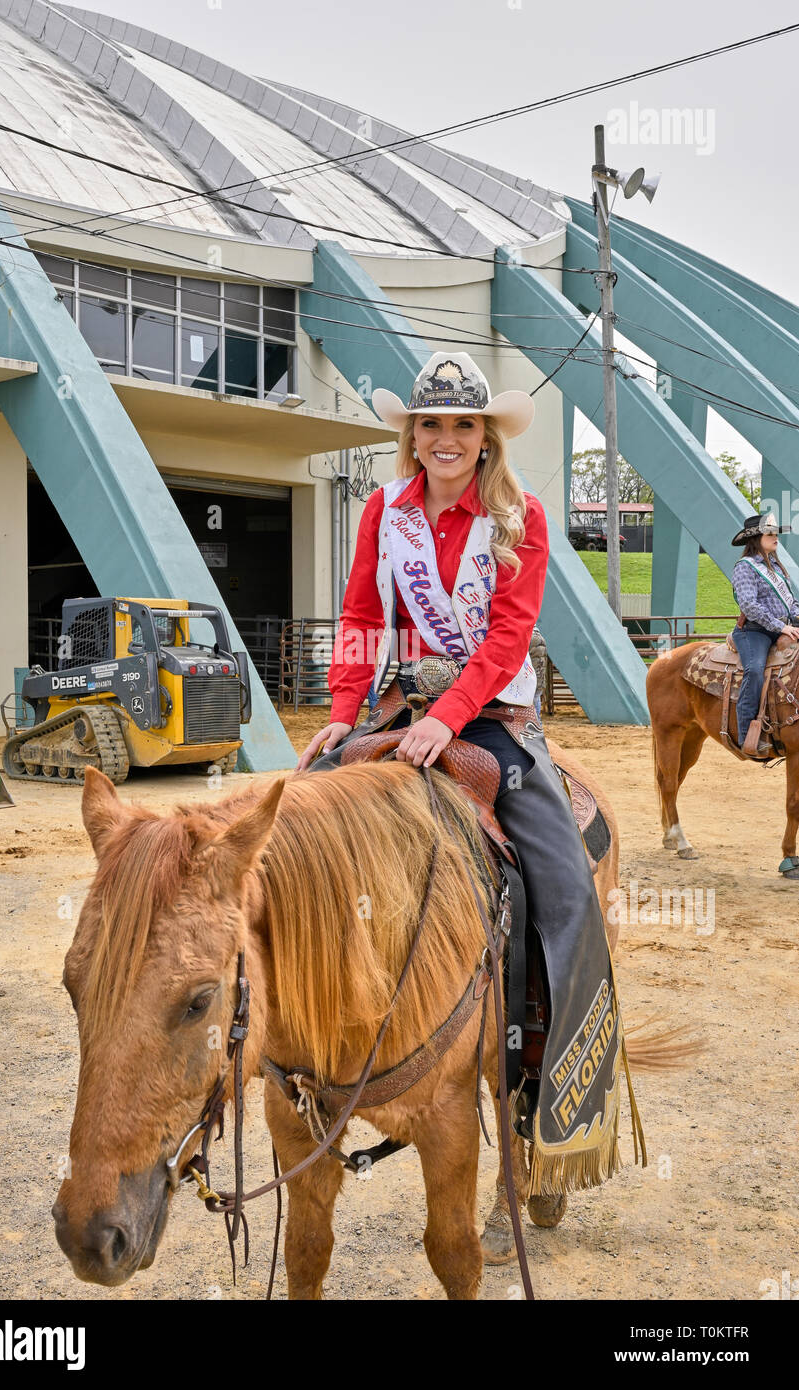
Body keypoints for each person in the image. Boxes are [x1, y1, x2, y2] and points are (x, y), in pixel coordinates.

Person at [296, 351, 628, 1195]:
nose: (445, 438)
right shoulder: (384, 511)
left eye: (462, 424)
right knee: (299, 822)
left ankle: (546, 1072)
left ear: (485, 438)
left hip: (492, 716)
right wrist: (342, 711)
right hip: (399, 705)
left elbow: (508, 639)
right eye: (430, 423)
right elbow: (363, 615)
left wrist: (448, 720)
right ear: (412, 434)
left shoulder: (520, 517)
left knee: (562, 883)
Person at [730, 512, 799, 751]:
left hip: (782, 626)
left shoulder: (776, 568)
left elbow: (791, 601)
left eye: (776, 533)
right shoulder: (745, 567)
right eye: (770, 533)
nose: (776, 537)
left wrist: (797, 617)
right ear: (756, 538)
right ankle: (746, 734)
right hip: (753, 632)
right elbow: (748, 605)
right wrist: (782, 626)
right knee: (755, 670)